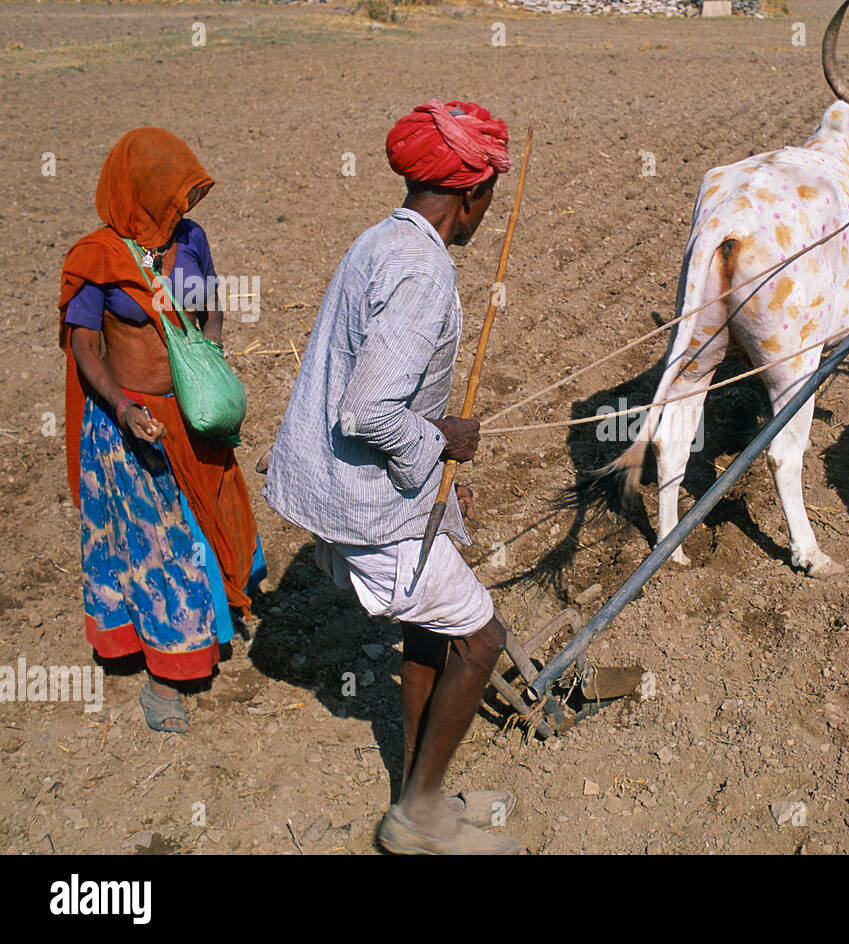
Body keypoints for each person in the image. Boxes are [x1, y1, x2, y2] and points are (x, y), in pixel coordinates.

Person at [263, 100, 520, 855]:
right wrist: (443, 439)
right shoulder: (423, 272)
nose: (486, 215)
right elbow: (369, 411)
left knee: (428, 628)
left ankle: (417, 787)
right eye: (488, 199)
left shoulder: (380, 239)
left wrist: (436, 461)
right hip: (367, 504)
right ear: (471, 195)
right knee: (481, 638)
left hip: (353, 491)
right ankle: (418, 817)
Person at [58, 127, 266, 734]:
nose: (185, 210)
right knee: (157, 549)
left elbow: (209, 311)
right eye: (174, 198)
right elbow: (86, 347)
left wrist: (211, 370)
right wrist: (124, 410)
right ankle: (166, 679)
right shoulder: (97, 256)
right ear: (141, 194)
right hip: (131, 424)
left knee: (206, 527)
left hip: (189, 416)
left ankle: (207, 634)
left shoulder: (191, 242)